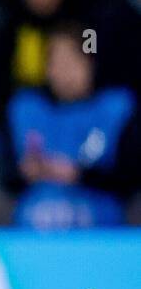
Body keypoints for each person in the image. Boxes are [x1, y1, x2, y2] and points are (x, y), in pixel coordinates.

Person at [9, 22, 139, 228]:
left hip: (103, 232)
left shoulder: (117, 109)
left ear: (90, 64)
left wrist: (79, 175)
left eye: (72, 61)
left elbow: (129, 179)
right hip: (34, 230)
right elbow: (5, 177)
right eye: (56, 63)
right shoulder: (26, 109)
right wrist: (24, 172)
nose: (64, 72)